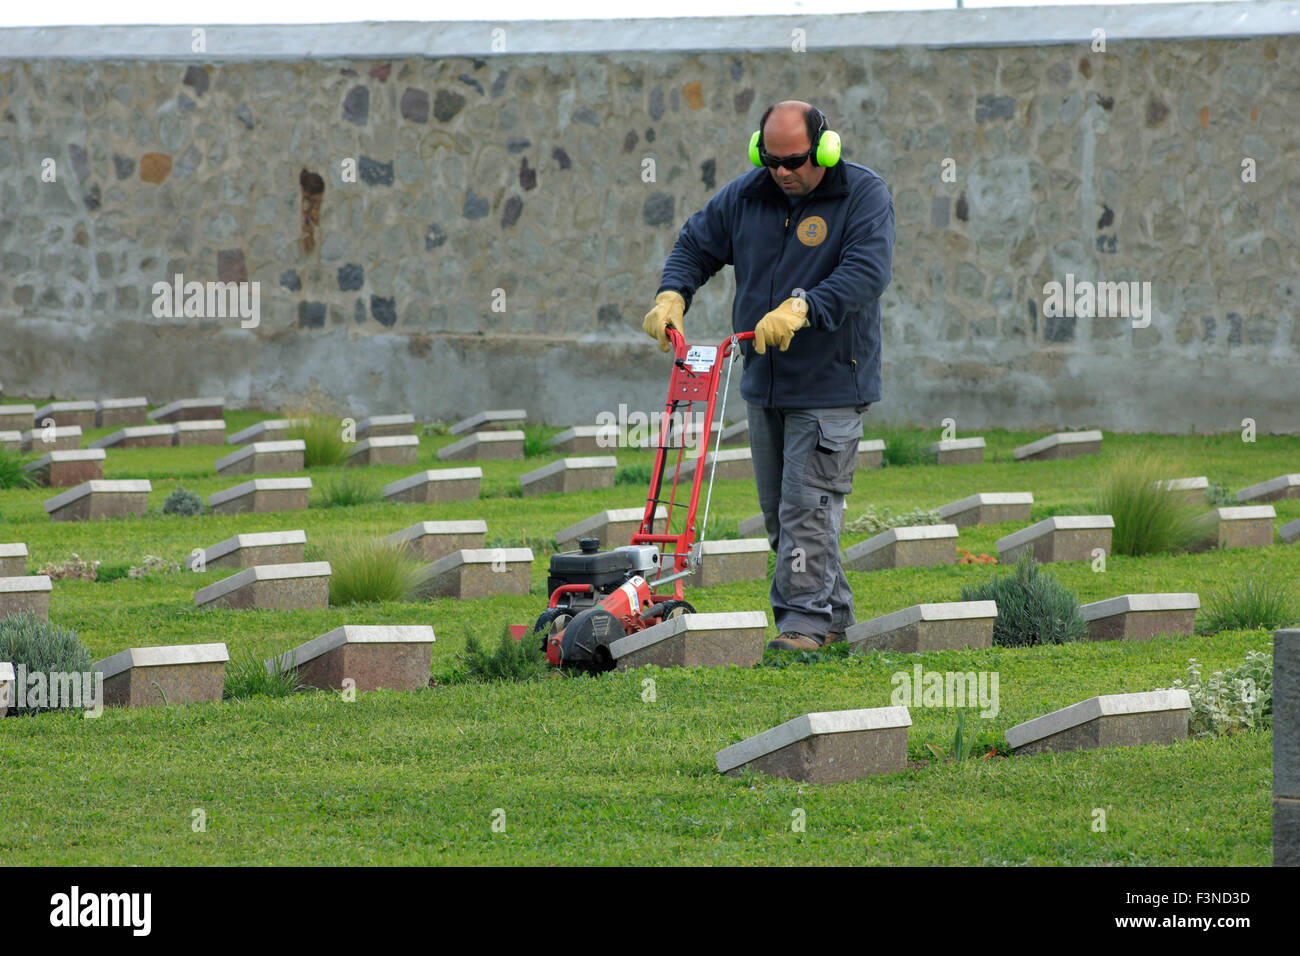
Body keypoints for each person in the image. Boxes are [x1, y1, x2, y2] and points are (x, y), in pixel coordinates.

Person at [642, 100, 895, 650]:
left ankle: (802, 629)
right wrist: (672, 295)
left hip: (830, 385)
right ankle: (834, 621)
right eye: (773, 160)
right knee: (785, 518)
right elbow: (695, 244)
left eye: (797, 161)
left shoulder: (863, 196)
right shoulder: (748, 195)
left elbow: (866, 272)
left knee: (808, 507)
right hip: (764, 383)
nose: (784, 172)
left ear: (824, 148)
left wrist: (803, 308)